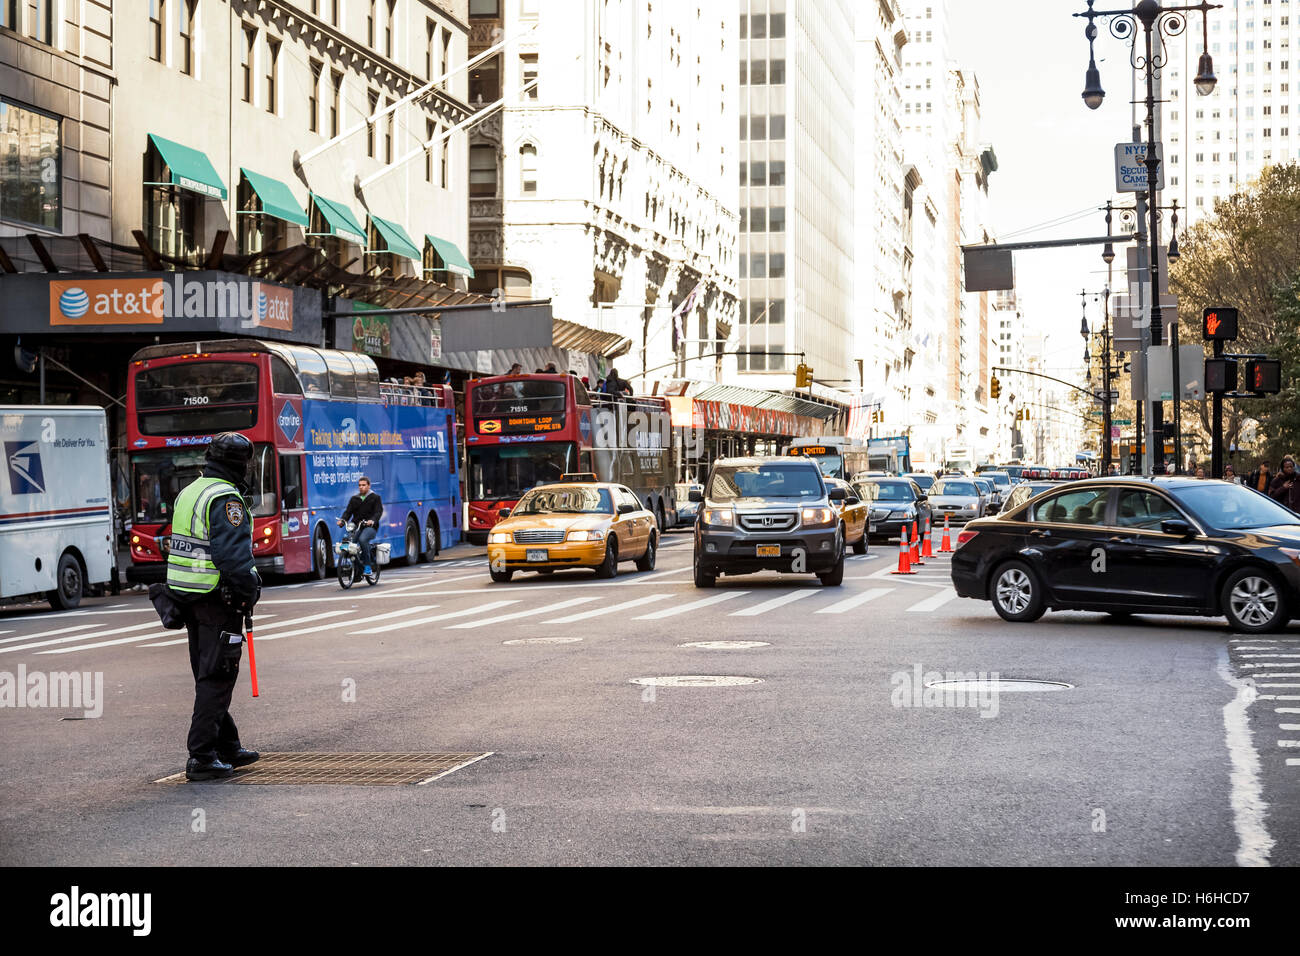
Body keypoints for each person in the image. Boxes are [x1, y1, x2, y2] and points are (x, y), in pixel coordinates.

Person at [166, 433, 261, 781]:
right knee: (218, 676)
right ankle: (202, 756)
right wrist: (250, 590)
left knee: (209, 673)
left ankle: (227, 745)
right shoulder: (225, 498)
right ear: (240, 463)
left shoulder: (191, 491)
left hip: (188, 598)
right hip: (216, 599)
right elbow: (233, 559)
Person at [339, 476, 383, 575]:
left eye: (363, 485)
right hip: (357, 526)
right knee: (350, 543)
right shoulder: (354, 499)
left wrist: (372, 520)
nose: (361, 487)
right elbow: (348, 512)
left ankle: (368, 566)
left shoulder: (375, 498)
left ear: (369, 486)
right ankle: (356, 569)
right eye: (359, 485)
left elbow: (378, 512)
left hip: (370, 527)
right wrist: (342, 520)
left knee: (363, 539)